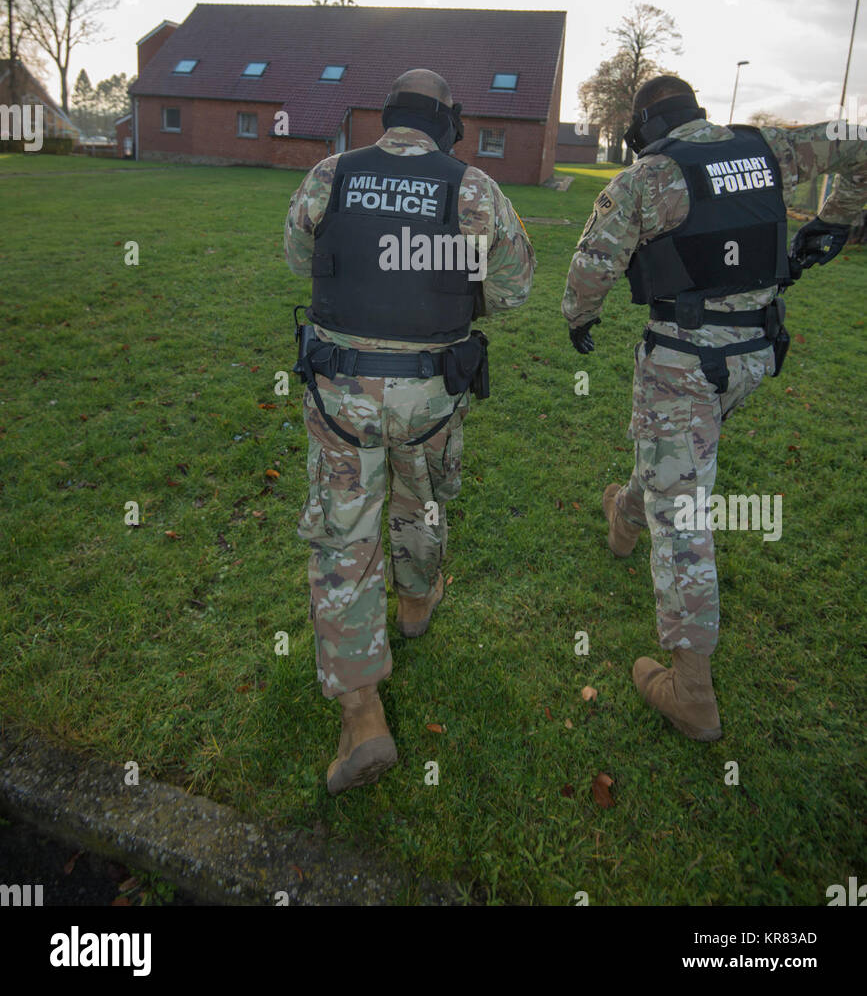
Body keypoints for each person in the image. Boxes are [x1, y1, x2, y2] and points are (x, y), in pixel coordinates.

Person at [562, 75, 867, 741]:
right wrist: (834, 222)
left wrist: (577, 317)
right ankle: (622, 517)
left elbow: (592, 265)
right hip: (753, 355)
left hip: (681, 361)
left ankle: (691, 690)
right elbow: (857, 144)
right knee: (677, 461)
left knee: (683, 512)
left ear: (642, 125)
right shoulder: (766, 148)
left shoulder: (646, 178)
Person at [285, 68, 535, 793]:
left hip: (341, 387)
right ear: (444, 123)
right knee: (420, 497)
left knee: (344, 532)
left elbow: (299, 258)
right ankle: (417, 604)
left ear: (386, 118)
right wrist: (445, 284)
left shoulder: (331, 174)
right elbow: (513, 288)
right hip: (430, 387)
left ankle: (361, 714)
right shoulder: (471, 187)